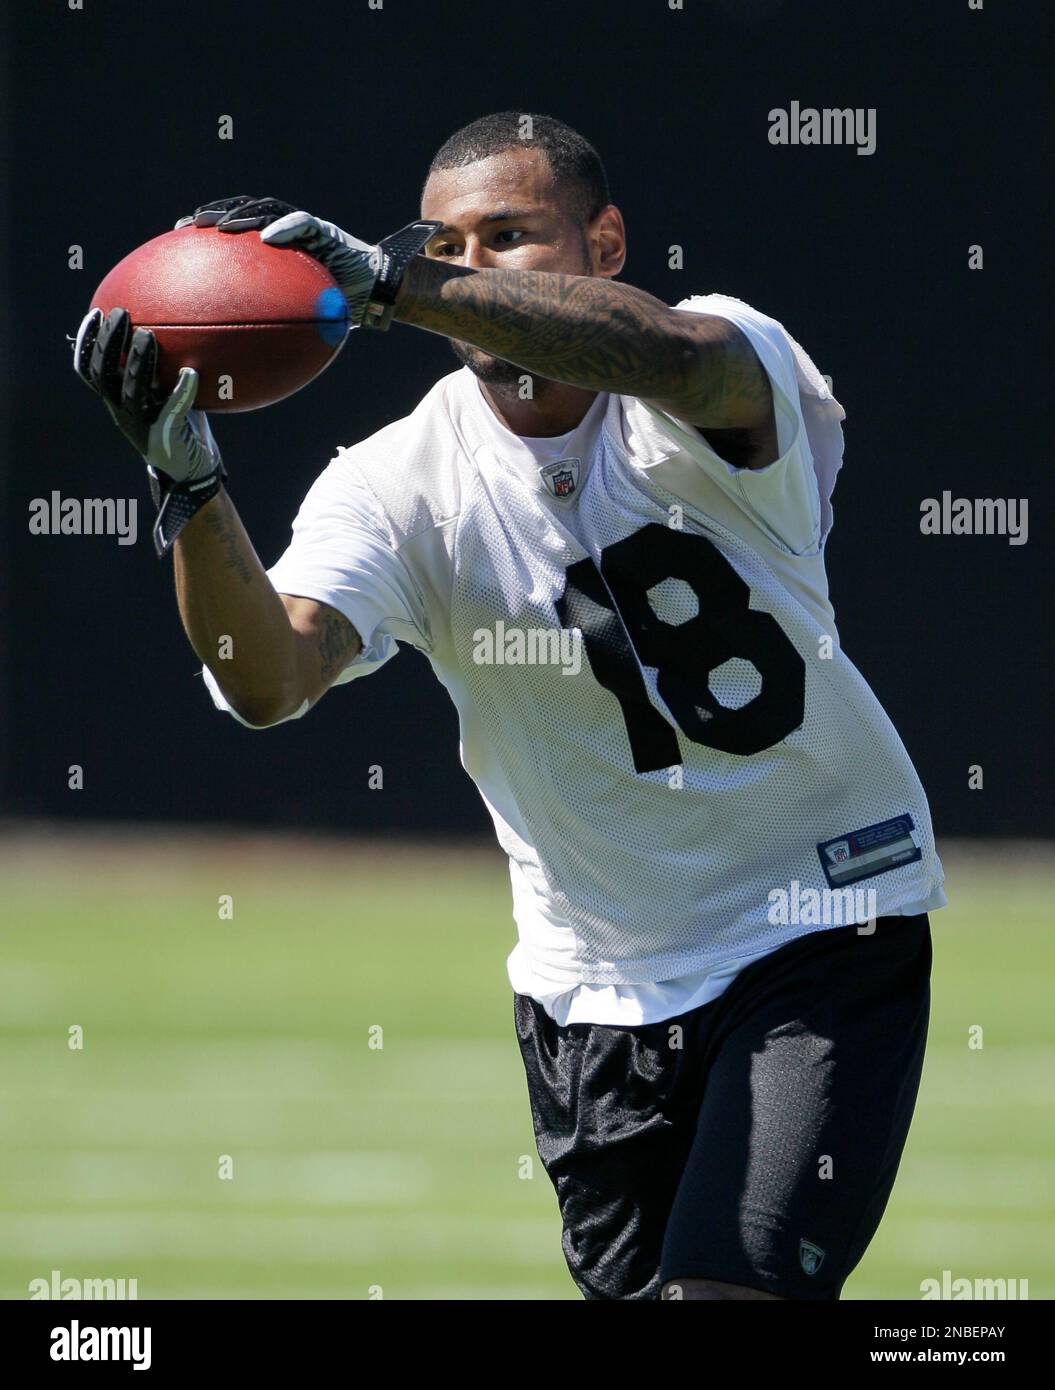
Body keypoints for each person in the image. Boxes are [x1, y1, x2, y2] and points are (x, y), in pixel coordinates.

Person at [75, 111, 945, 1301]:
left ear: (605, 243)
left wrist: (401, 283)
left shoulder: (721, 358)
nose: (466, 265)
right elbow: (266, 676)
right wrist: (188, 485)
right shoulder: (394, 482)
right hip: (591, 984)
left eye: (506, 236)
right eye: (443, 241)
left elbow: (683, 361)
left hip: (820, 921)